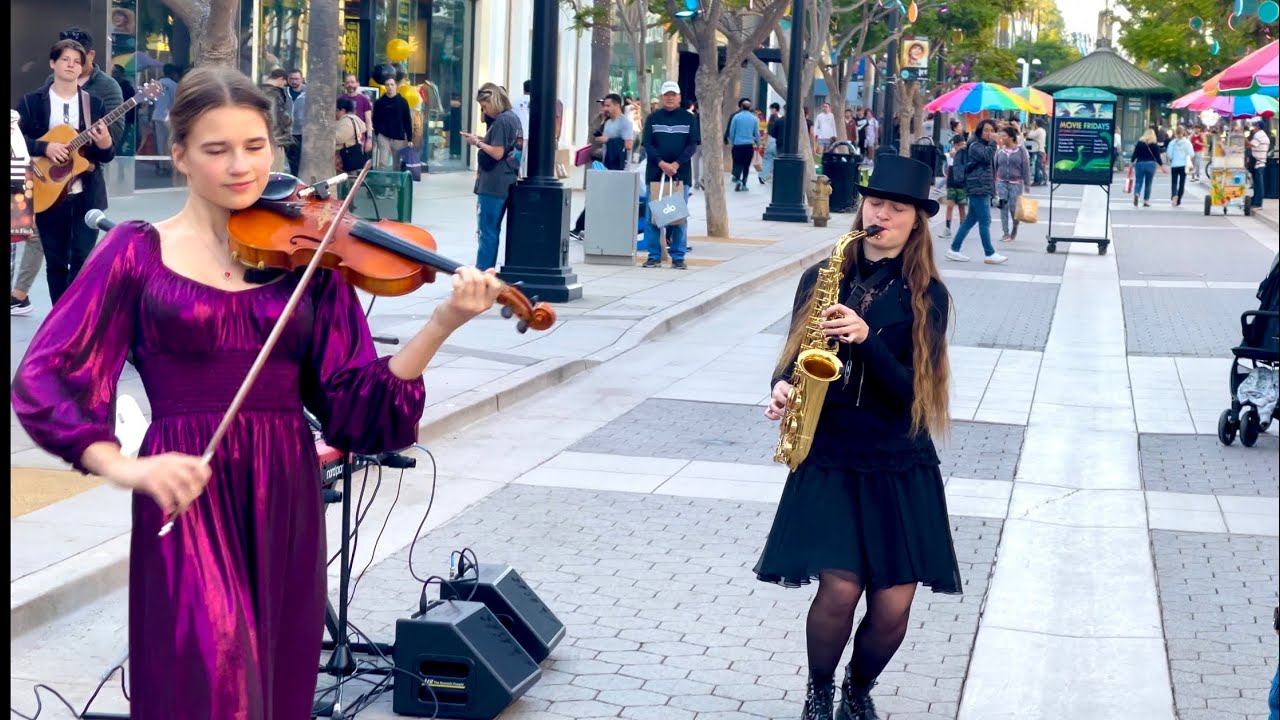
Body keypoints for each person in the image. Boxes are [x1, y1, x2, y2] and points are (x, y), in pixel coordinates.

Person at [10, 65, 503, 720]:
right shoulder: (135, 253)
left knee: (274, 684)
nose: (240, 166)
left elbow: (359, 404)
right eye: (216, 149)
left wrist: (443, 323)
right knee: (208, 680)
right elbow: (45, 376)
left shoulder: (310, 260)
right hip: (185, 489)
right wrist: (123, 464)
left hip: (284, 492)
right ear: (179, 155)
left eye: (255, 146)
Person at [757, 154, 958, 720]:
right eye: (875, 203)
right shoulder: (822, 277)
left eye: (897, 208)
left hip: (898, 456)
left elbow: (912, 394)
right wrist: (781, 387)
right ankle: (820, 694)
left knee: (894, 604)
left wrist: (867, 338)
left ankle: (858, 688)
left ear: (917, 220)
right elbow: (795, 357)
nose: (883, 215)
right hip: (832, 453)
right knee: (840, 589)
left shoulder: (928, 297)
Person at [16, 38, 116, 306]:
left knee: (83, 262)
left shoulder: (94, 105)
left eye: (76, 61)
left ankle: (75, 317)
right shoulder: (31, 102)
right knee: (57, 263)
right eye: (65, 60)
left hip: (86, 196)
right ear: (53, 63)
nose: (71, 65)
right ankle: (60, 318)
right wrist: (45, 147)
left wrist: (104, 141)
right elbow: (16, 140)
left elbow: (105, 155)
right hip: (46, 192)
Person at [459, 82, 521, 270]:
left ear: (492, 101)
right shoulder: (513, 118)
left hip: (494, 183)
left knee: (487, 231)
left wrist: (477, 142)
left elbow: (497, 152)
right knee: (490, 230)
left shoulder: (502, 121)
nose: (483, 111)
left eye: (484, 106)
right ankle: (486, 270)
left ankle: (484, 271)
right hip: (506, 179)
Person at [640, 81, 698, 270]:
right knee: (653, 218)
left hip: (680, 175)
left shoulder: (689, 118)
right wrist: (662, 164)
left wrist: (676, 164)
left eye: (673, 94)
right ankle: (654, 256)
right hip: (656, 175)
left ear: (679, 97)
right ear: (662, 97)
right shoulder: (653, 118)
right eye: (667, 94)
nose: (670, 98)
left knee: (678, 218)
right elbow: (648, 144)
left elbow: (692, 145)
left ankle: (678, 256)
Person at [945, 119, 1006, 264]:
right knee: (985, 220)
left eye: (992, 131)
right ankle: (989, 253)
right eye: (986, 130)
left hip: (982, 187)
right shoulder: (975, 145)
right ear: (980, 131)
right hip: (977, 187)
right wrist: (993, 143)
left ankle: (954, 249)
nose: (989, 133)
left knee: (971, 219)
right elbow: (986, 158)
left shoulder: (984, 145)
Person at [994, 126, 1031, 242]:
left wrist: (1027, 183)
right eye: (1001, 136)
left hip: (1016, 183)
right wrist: (993, 183)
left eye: (1004, 136)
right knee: (1003, 207)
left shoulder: (1021, 151)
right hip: (1001, 182)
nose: (1002, 138)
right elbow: (995, 167)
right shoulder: (999, 151)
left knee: (1014, 208)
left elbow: (1025, 167)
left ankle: (1014, 228)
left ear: (1011, 137)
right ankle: (1005, 233)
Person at [725, 97, 760, 191]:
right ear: (749, 107)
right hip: (748, 145)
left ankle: (738, 180)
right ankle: (744, 183)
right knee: (746, 165)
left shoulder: (736, 117)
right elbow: (756, 133)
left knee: (737, 163)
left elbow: (732, 131)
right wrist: (758, 144)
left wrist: (733, 141)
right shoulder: (754, 118)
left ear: (741, 106)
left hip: (737, 144)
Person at [940, 134, 967, 239]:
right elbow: (945, 156)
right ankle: (947, 228)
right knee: (950, 206)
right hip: (951, 184)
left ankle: (962, 229)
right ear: (955, 145)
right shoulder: (951, 155)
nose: (961, 147)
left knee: (962, 207)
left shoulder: (965, 155)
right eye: (959, 145)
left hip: (962, 184)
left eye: (962, 144)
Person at [1130, 128, 1166, 207]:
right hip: (1151, 164)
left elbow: (1135, 154)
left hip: (1140, 163)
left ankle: (1137, 193)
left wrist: (1131, 162)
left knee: (1138, 181)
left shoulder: (1140, 143)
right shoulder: (1154, 145)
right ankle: (1146, 201)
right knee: (1148, 183)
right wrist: (1162, 166)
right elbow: (1157, 157)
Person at [1166, 126, 1194, 208]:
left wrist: (1172, 159)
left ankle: (1174, 194)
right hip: (1184, 165)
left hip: (1174, 165)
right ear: (1184, 132)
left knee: (1174, 182)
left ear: (1175, 133)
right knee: (1182, 183)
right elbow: (1191, 154)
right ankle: (1179, 200)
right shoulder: (1187, 143)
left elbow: (1169, 155)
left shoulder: (1172, 143)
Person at [1248, 118, 1271, 209]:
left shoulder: (1259, 135)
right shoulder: (1261, 135)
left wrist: (1243, 138)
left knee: (1258, 183)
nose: (1253, 128)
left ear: (1257, 127)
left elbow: (1251, 145)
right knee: (1256, 183)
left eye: (1254, 126)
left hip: (1258, 162)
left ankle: (1258, 202)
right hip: (1258, 162)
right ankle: (1255, 199)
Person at [762, 103, 783, 184]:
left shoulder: (775, 118)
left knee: (768, 158)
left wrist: (765, 140)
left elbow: (768, 131)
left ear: (775, 109)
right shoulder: (780, 118)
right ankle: (773, 175)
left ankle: (764, 175)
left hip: (772, 140)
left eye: (771, 109)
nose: (770, 111)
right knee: (775, 158)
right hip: (777, 141)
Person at [1025, 119, 1046, 186]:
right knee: (1039, 165)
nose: (1033, 124)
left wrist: (1031, 129)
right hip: (1040, 149)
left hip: (1038, 150)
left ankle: (1037, 180)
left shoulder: (1039, 130)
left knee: (1038, 165)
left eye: (1034, 122)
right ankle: (1043, 179)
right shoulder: (1042, 130)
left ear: (1037, 123)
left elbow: (1030, 135)